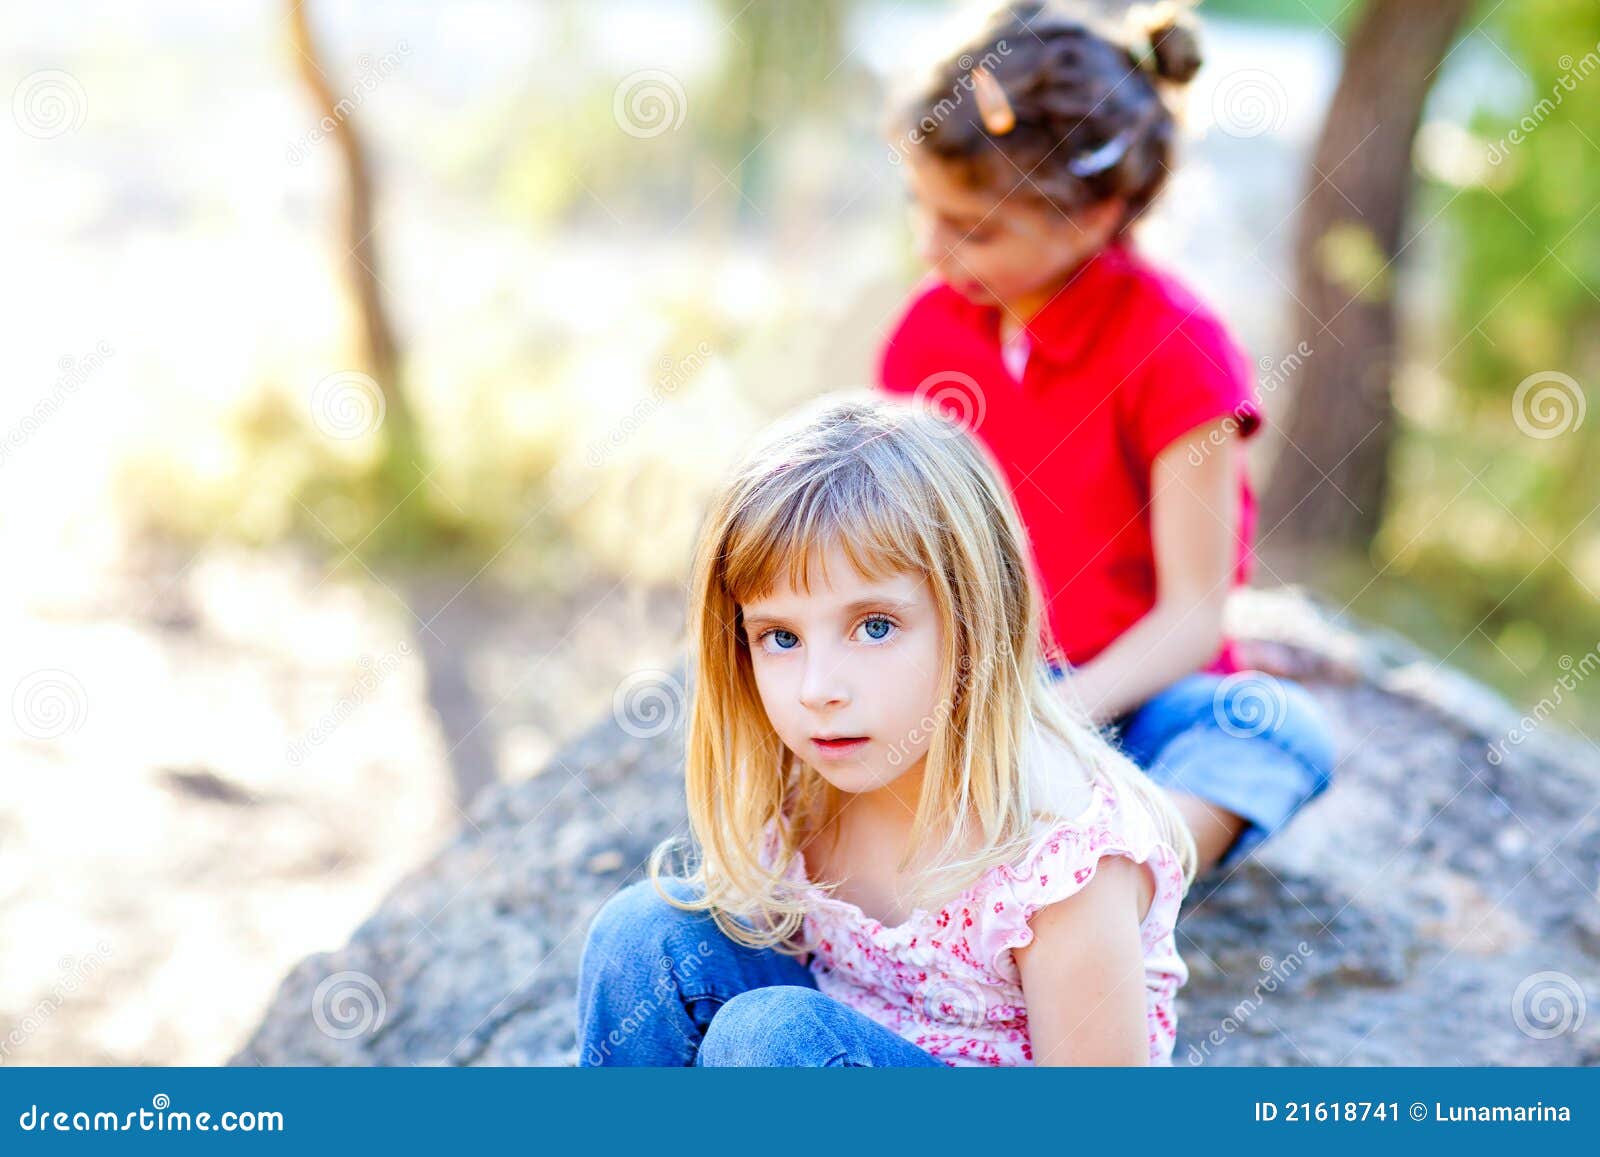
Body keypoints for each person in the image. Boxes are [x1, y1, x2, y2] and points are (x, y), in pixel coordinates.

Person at [578, 396, 1195, 1067]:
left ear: (975, 619)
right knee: (645, 931)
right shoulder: (806, 792)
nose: (818, 689)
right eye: (780, 637)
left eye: (874, 626)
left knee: (773, 1039)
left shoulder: (1056, 854)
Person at [877, 0, 1335, 875]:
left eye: (972, 229)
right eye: (920, 208)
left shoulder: (1178, 351)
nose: (931, 247)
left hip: (1135, 698)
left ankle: (1117, 885)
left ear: (1092, 216)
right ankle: (997, 853)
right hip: (975, 690)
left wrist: (1050, 721)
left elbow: (1193, 613)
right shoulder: (925, 337)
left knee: (1278, 733)